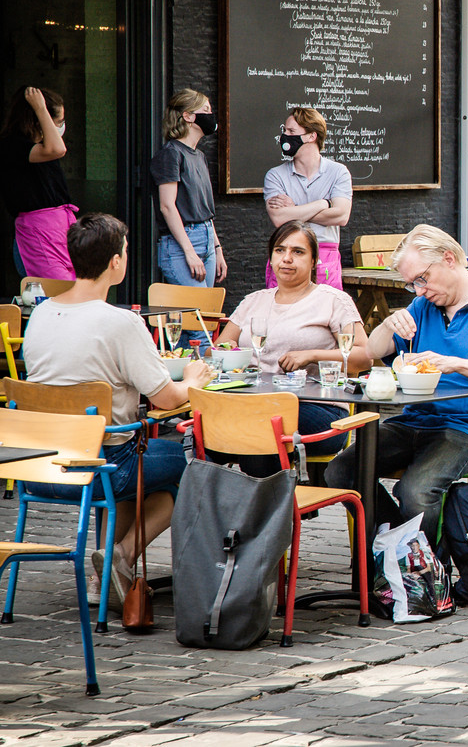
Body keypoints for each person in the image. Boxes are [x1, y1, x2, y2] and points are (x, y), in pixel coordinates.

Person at [22, 213, 212, 606]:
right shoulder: (121, 322)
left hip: (40, 466)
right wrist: (194, 377)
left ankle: (104, 573)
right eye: (125, 250)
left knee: (141, 462)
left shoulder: (39, 314)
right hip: (104, 464)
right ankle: (120, 558)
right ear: (115, 262)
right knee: (196, 459)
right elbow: (167, 399)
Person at [324, 224, 468, 548]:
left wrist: (456, 363)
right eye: (412, 284)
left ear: (449, 259)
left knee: (416, 491)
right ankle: (401, 553)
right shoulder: (422, 306)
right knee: (341, 471)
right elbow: (373, 352)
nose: (418, 290)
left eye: (422, 279)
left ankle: (420, 575)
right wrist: (389, 324)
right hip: (415, 421)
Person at [217, 220, 374, 472]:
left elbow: (364, 356)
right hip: (251, 402)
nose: (287, 258)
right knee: (207, 433)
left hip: (318, 408)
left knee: (259, 433)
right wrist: (229, 352)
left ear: (313, 261)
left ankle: (268, 508)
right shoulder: (253, 301)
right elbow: (219, 348)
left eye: (297, 252)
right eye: (280, 250)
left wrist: (312, 355)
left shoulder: (333, 300)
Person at [262, 108, 352, 289]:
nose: (284, 136)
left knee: (326, 314)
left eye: (291, 132)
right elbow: (279, 218)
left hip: (324, 256)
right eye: (284, 131)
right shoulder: (275, 175)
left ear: (312, 136)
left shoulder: (338, 172)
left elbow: (341, 216)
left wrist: (295, 208)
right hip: (288, 254)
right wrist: (323, 204)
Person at [152, 89, 227, 292]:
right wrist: (189, 251)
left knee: (207, 314)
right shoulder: (171, 154)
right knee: (197, 316)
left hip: (206, 237)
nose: (211, 116)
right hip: (183, 241)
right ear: (188, 116)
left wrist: (217, 249)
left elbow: (204, 209)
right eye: (206, 110)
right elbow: (167, 206)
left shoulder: (199, 156)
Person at [0, 86, 77, 278]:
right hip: (40, 231)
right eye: (58, 122)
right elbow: (57, 149)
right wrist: (41, 109)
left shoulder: (40, 147)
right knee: (59, 289)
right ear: (39, 120)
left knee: (75, 288)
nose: (60, 126)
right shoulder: (13, 145)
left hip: (61, 228)